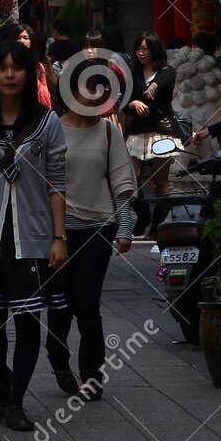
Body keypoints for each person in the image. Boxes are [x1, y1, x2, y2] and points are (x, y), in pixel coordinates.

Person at [0, 40, 69, 433]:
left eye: (16, 68)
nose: (8, 74)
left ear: (28, 73)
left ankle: (17, 400)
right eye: (1, 67)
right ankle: (2, 378)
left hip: (33, 235)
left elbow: (57, 183)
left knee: (27, 320)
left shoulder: (47, 122)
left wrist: (59, 238)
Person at [44, 60, 135, 401]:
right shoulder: (50, 127)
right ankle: (58, 358)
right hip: (58, 230)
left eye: (98, 86)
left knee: (87, 303)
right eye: (84, 85)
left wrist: (124, 229)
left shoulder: (109, 131)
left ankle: (92, 374)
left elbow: (122, 184)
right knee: (59, 303)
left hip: (98, 227)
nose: (91, 93)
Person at [121, 31, 177, 236]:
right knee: (129, 180)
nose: (141, 53)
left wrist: (153, 86)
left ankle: (158, 223)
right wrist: (133, 103)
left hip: (161, 130)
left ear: (154, 50)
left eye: (145, 48)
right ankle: (143, 214)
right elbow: (123, 101)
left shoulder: (166, 71)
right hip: (137, 132)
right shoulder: (132, 73)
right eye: (138, 48)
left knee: (161, 181)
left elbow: (164, 80)